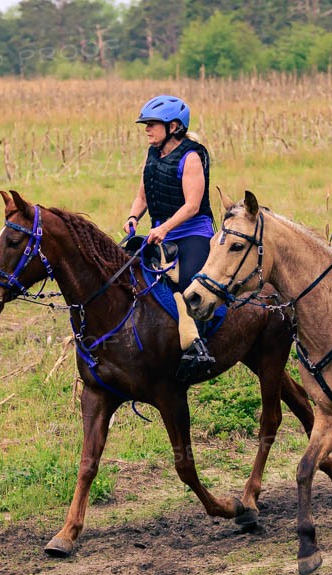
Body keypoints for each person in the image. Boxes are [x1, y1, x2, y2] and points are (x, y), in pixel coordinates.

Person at [124, 95, 216, 381]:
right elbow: (143, 195)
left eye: (152, 124)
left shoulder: (190, 157)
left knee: (190, 282)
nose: (147, 129)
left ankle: (197, 348)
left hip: (193, 232)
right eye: (146, 124)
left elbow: (192, 205)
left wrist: (164, 229)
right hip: (158, 231)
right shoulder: (152, 154)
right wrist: (133, 217)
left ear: (173, 126)